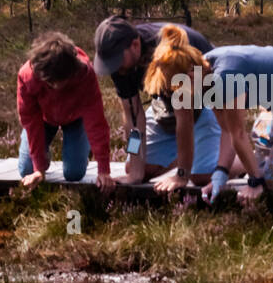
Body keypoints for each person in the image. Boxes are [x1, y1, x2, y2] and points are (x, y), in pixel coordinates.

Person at [143, 25, 273, 202]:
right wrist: (220, 173)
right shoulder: (205, 74)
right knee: (261, 160)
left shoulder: (224, 76)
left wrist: (255, 182)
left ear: (190, 74)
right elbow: (225, 131)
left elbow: (238, 134)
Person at [93, 15, 222, 191]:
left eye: (116, 62)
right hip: (165, 107)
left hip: (209, 100)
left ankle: (235, 156)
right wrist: (135, 173)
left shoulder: (169, 53)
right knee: (135, 167)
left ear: (135, 45)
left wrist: (182, 175)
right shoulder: (120, 63)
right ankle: (190, 154)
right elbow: (133, 118)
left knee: (201, 177)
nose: (114, 69)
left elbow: (184, 117)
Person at [16, 31, 115, 192]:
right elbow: (31, 121)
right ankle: (42, 156)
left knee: (74, 174)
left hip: (76, 119)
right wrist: (39, 170)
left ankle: (82, 150)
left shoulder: (85, 74)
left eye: (62, 82)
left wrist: (104, 170)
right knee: (27, 170)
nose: (56, 87)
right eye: (50, 83)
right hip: (43, 120)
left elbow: (96, 122)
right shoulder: (27, 76)